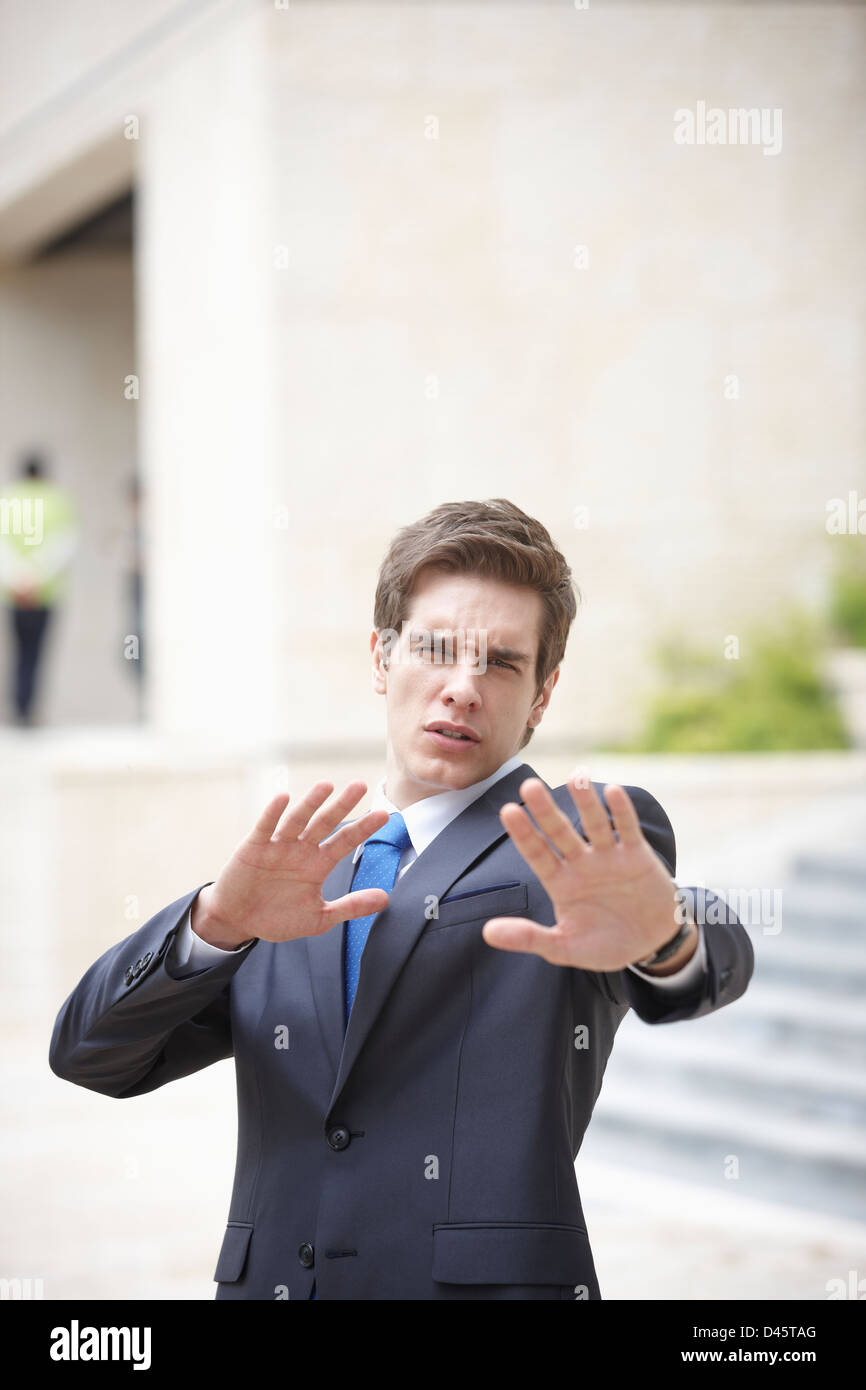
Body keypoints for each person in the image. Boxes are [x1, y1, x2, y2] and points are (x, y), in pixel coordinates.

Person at [49, 497, 753, 1300]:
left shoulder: (569, 847)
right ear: (382, 660)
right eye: (437, 650)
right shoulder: (294, 880)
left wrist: (666, 940)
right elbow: (90, 1056)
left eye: (500, 663)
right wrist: (215, 925)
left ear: (543, 695)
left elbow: (710, 947)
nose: (462, 688)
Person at [0, 453, 78, 724]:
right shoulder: (57, 500)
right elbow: (64, 544)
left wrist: (18, 578)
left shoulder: (8, 499)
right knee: (36, 652)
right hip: (44, 593)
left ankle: (19, 707)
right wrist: (36, 577)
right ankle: (28, 709)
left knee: (18, 651)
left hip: (14, 593)